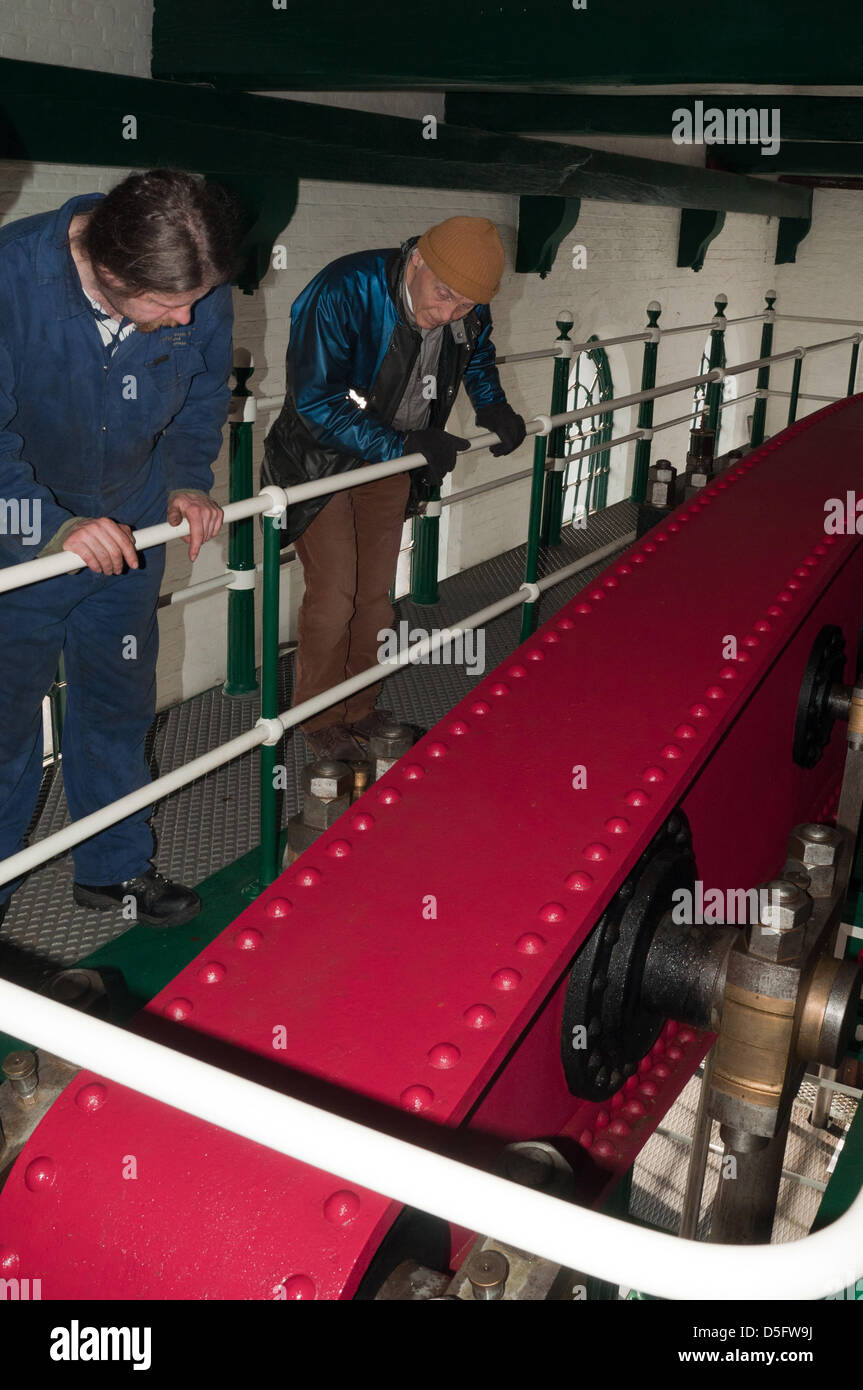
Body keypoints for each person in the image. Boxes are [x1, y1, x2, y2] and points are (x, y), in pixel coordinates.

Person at [0, 168, 242, 929]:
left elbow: (202, 397)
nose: (185, 319)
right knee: (5, 725)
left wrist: (188, 482)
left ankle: (113, 869)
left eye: (196, 302)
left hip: (131, 531)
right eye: (167, 307)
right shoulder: (12, 280)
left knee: (118, 708)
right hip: (19, 543)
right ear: (107, 273)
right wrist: (52, 528)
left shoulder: (191, 284)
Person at [262, 215, 526, 761]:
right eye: (443, 295)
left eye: (463, 307)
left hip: (391, 460)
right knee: (335, 596)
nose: (447, 313)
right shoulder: (342, 290)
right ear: (417, 260)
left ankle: (359, 708)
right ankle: (317, 718)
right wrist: (403, 448)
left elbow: (475, 352)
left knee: (376, 599)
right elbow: (315, 402)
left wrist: (493, 404)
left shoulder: (467, 302)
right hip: (321, 464)